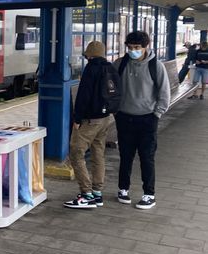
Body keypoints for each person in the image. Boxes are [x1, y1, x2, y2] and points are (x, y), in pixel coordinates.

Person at [114, 31, 170, 210]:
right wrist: (115, 111)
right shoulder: (120, 64)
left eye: (137, 48)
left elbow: (164, 93)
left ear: (146, 47)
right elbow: (111, 87)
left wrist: (157, 114)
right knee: (125, 156)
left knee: (147, 157)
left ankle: (149, 194)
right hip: (124, 117)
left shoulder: (156, 66)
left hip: (147, 119)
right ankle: (123, 189)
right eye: (129, 48)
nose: (132, 51)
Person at [64, 41, 118, 209]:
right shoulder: (110, 68)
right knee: (98, 153)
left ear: (90, 55)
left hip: (91, 120)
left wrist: (77, 119)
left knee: (76, 152)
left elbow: (83, 96)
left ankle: (86, 194)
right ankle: (97, 193)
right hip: (106, 118)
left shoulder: (91, 68)